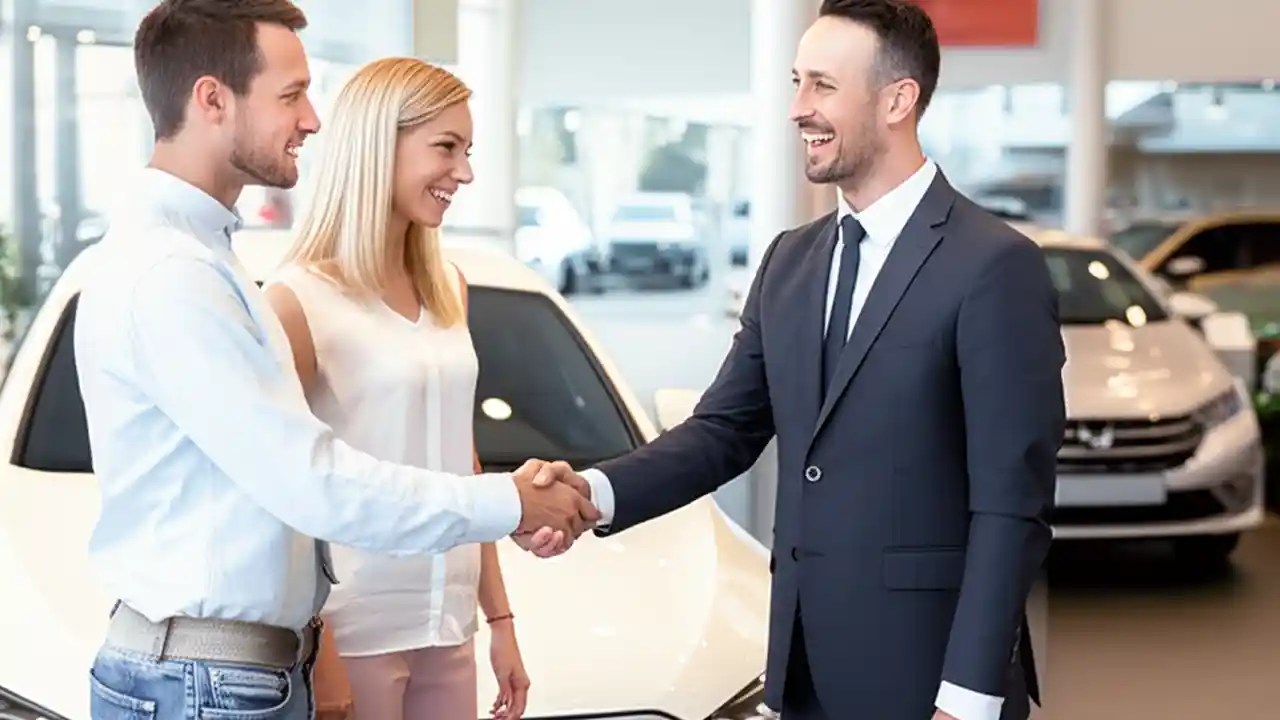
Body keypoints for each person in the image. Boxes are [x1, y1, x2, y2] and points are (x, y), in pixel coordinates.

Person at [528, 1, 1066, 719]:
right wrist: (589, 493)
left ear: (898, 99)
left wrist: (966, 699)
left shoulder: (994, 265)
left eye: (821, 85)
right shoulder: (790, 261)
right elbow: (723, 430)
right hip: (802, 672)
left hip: (929, 678)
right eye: (795, 82)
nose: (796, 109)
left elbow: (1012, 505)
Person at [74, 2, 593, 719]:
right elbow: (311, 483)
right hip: (211, 678)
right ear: (212, 99)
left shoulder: (205, 263)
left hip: (244, 670)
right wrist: (510, 501)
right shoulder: (176, 277)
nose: (314, 120)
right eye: (291, 95)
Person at [263, 57, 530, 720]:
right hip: (354, 634)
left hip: (450, 625)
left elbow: (462, 466)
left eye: (468, 151)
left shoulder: (450, 291)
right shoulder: (296, 300)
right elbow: (281, 495)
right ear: (379, 143)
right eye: (446, 147)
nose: (463, 173)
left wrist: (501, 619)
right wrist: (318, 654)